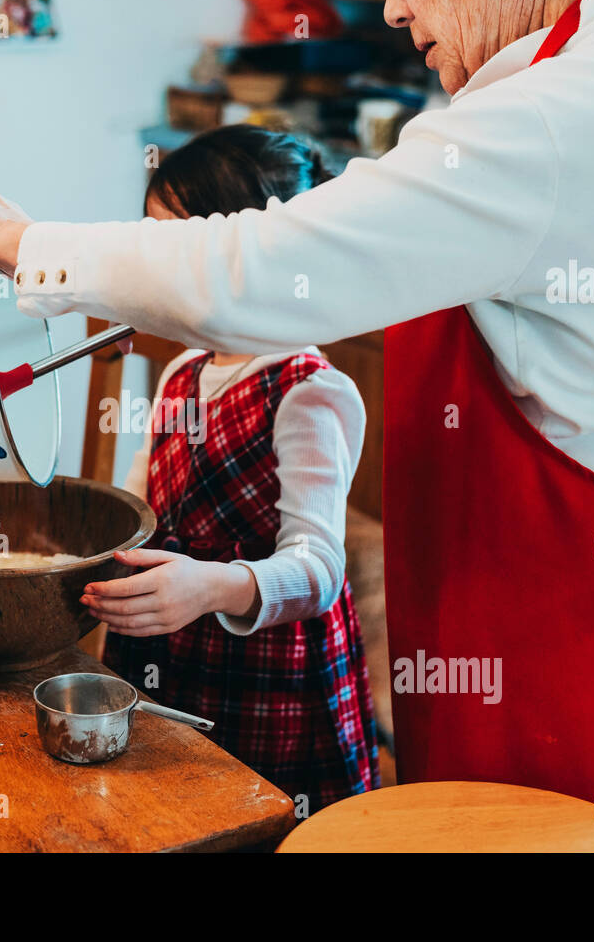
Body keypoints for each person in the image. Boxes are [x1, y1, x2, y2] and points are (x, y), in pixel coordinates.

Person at [0, 0, 594, 851]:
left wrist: (25, 244)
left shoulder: (555, 114)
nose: (389, 8)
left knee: (587, 847)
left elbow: (257, 272)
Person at [83, 126, 380, 811]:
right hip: (172, 651)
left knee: (257, 818)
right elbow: (144, 499)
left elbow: (318, 567)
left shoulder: (306, 387)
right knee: (174, 807)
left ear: (247, 255)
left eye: (172, 247)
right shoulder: (184, 368)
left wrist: (214, 586)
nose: (151, 268)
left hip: (271, 677)